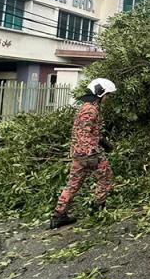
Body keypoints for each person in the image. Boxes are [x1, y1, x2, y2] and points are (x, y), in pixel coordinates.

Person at [50, 78, 117, 229]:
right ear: (100, 93)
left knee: (73, 185)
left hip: (79, 155)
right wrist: (92, 154)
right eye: (108, 95)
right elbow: (84, 134)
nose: (108, 98)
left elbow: (91, 132)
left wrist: (105, 144)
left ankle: (58, 216)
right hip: (88, 154)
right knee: (106, 178)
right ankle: (98, 210)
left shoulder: (89, 107)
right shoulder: (90, 110)